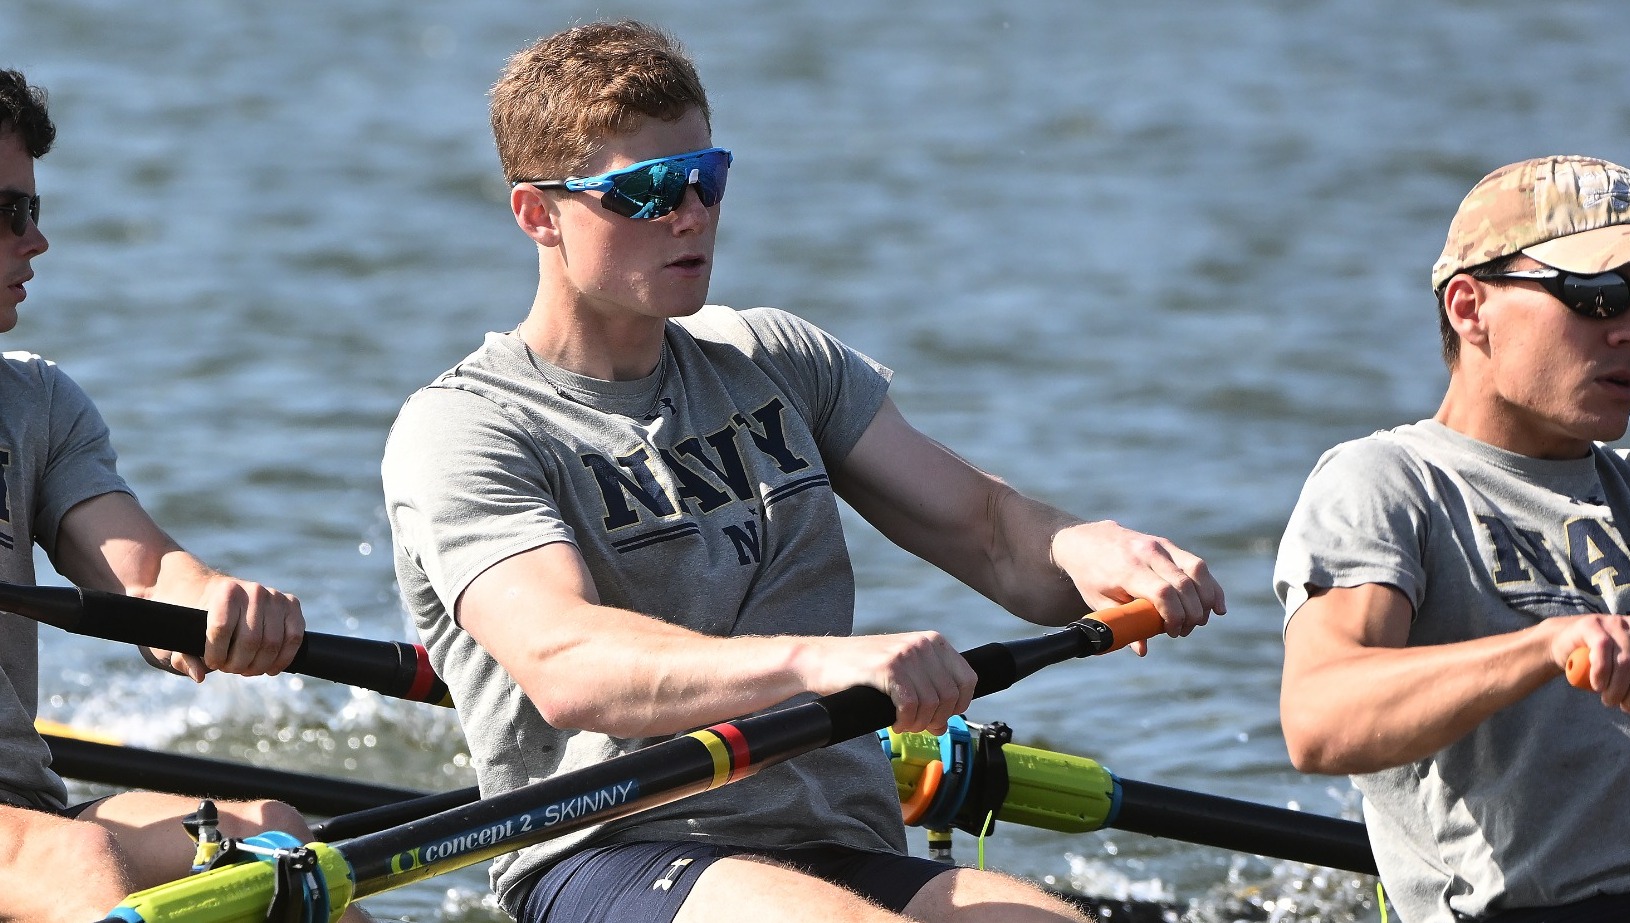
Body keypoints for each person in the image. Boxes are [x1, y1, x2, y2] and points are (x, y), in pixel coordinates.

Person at [382, 20, 1225, 923]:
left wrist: (1084, 547)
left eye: (705, 178)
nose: (691, 213)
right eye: (647, 190)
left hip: (837, 839)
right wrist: (819, 662)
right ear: (538, 213)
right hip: (613, 847)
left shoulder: (776, 359)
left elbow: (990, 533)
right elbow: (568, 661)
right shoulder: (467, 428)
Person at [0, 69, 373, 923]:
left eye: (34, 208)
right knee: (78, 856)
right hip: (49, 846)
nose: (38, 241)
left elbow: (144, 575)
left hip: (24, 810)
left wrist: (208, 600)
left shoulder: (38, 406)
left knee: (274, 848)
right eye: (9, 212)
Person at [1275, 154, 1630, 923]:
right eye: (1599, 297)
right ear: (1470, 308)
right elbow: (1318, 718)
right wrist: (1549, 646)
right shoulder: (1387, 483)